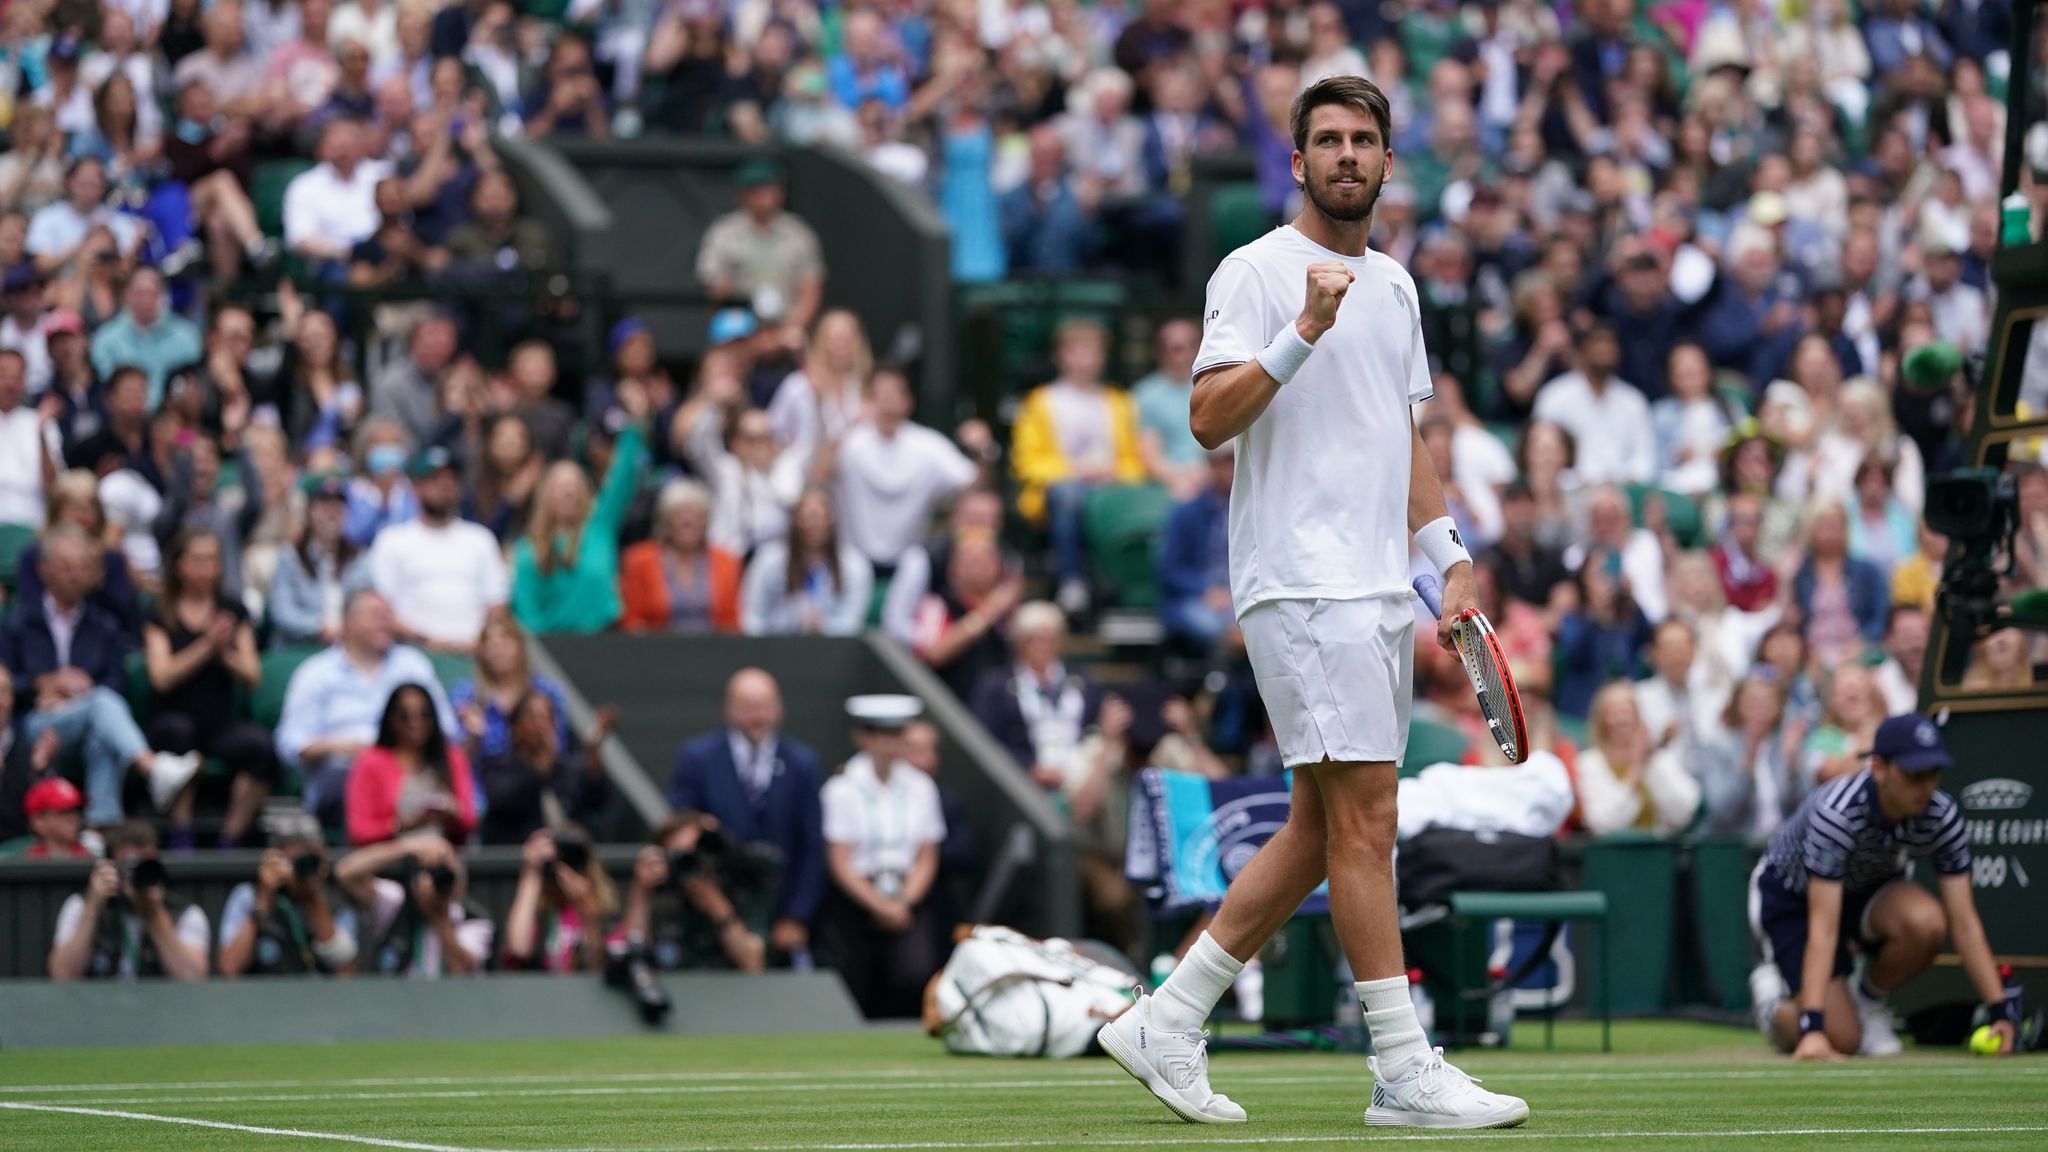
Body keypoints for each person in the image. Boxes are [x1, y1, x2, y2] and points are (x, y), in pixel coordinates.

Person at [1096, 77, 1529, 1129]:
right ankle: (1400, 1066)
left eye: (1363, 140)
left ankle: (1165, 1019)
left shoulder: (1395, 289)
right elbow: (1206, 418)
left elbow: (1405, 439)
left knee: (1315, 826)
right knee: (1367, 820)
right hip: (1298, 579)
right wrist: (1296, 332)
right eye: (1326, 140)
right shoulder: (1251, 273)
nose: (1345, 154)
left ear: (1385, 163)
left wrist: (1449, 557)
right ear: (1296, 164)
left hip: (1377, 582)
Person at [1749, 713, 2022, 1060]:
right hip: (1792, 899)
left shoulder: (1941, 816)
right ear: (1879, 768)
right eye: (1914, 775)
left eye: (1933, 773)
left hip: (1864, 887)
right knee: (1843, 1039)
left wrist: (2000, 1012)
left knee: (1927, 923)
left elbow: (1964, 921)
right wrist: (1814, 1030)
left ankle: (1868, 1003)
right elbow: (1823, 926)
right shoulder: (1837, 815)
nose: (1926, 787)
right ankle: (1774, 1005)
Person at [1, 527, 199, 828]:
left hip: (90, 716)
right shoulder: (18, 623)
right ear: (45, 569)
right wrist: (42, 685)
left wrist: (83, 691)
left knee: (101, 729)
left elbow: (118, 683)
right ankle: (151, 767)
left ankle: (99, 829)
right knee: (102, 706)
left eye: (82, 567)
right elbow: (5, 680)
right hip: (34, 722)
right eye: (66, 567)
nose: (75, 575)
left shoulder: (104, 626)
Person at [666, 668, 825, 966]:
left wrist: (797, 916)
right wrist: (696, 830)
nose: (758, 716)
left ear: (779, 709)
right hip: (714, 905)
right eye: (748, 707)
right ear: (729, 709)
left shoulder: (803, 764)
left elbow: (812, 846)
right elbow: (677, 823)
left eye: (765, 706)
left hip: (779, 908)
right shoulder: (697, 758)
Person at [274, 589, 457, 830]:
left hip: (410, 776)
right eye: (375, 615)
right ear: (349, 622)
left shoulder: (412, 664)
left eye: (388, 615)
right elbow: (291, 743)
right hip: (342, 780)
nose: (385, 622)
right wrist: (338, 747)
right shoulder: (316, 673)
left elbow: (448, 729)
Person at [143, 529, 277, 849]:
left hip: (218, 721)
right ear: (179, 566)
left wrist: (224, 652)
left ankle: (230, 836)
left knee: (261, 748)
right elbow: (161, 676)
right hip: (172, 715)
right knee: (179, 735)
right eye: (198, 560)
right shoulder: (159, 612)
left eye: (213, 561)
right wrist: (206, 646)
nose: (207, 569)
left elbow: (252, 675)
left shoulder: (232, 609)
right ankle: (181, 833)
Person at [820, 694, 949, 1019]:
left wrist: (904, 902)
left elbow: (927, 854)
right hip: (858, 895)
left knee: (914, 972)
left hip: (907, 893)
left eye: (898, 735)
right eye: (883, 736)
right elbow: (840, 860)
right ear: (864, 738)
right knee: (857, 978)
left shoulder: (922, 787)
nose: (892, 744)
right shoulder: (841, 788)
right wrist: (878, 905)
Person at [1009, 318, 1145, 616]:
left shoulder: (1120, 402)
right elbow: (1027, 462)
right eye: (1078, 350)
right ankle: (1073, 583)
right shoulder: (1040, 401)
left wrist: (1113, 473)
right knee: (1069, 496)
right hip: (1061, 492)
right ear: (1061, 356)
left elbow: (1136, 460)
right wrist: (1077, 471)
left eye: (1093, 351)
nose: (1086, 358)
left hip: (1112, 491)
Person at [825, 366, 986, 578]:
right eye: (881, 393)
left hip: (909, 566)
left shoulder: (929, 445)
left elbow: (973, 484)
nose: (888, 400)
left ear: (909, 401)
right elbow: (817, 477)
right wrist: (845, 426)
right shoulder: (851, 441)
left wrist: (982, 451)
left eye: (895, 393)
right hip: (852, 563)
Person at [509, 399, 648, 635]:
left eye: (575, 485)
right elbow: (525, 610)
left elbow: (622, 477)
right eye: (561, 486)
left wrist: (633, 427)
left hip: (604, 641)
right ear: (546, 496)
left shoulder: (600, 527)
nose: (569, 492)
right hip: (551, 650)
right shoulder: (529, 548)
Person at [367, 446, 509, 655]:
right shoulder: (392, 540)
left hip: (475, 652)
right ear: (416, 488)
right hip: (412, 652)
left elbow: (497, 604)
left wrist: (479, 641)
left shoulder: (480, 539)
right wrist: (428, 640)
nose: (445, 486)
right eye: (434, 479)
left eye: (451, 479)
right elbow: (381, 606)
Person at [47, 821, 210, 981]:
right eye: (129, 866)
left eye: (145, 865)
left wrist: (154, 914)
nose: (136, 874)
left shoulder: (185, 912)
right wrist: (93, 908)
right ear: (110, 866)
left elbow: (192, 977)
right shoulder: (80, 906)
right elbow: (63, 975)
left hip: (161, 1005)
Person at [614, 810, 773, 973]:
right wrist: (640, 891)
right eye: (682, 856)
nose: (694, 862)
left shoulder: (740, 888)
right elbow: (631, 959)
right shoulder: (658, 893)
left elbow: (752, 963)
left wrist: (715, 904)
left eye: (699, 851)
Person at [694, 158, 824, 349]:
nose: (764, 196)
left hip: (788, 329)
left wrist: (785, 333)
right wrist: (749, 332)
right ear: (743, 195)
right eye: (756, 190)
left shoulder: (799, 234)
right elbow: (716, 290)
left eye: (770, 188)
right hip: (738, 331)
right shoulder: (723, 233)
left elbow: (810, 291)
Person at [333, 833, 492, 977]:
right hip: (399, 1002)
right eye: (428, 873)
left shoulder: (473, 918)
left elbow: (460, 970)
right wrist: (407, 848)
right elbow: (345, 873)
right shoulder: (396, 903)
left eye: (446, 876)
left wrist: (439, 915)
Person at [346, 681, 477, 847]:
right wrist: (407, 824)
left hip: (444, 855)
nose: (415, 723)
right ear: (390, 719)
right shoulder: (370, 762)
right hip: (390, 858)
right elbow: (360, 832)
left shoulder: (452, 758)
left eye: (424, 714)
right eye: (404, 716)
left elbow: (469, 821)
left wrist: (452, 813)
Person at [476, 689, 610, 846]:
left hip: (566, 857)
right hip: (515, 857)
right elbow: (505, 801)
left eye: (547, 718)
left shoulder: (568, 768)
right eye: (533, 718)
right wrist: (540, 768)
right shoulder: (497, 767)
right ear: (515, 727)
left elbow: (598, 799)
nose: (541, 725)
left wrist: (593, 750)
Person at [217, 833, 359, 977]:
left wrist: (312, 900)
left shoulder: (337, 904)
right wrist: (263, 901)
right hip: (261, 994)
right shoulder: (248, 895)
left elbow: (346, 969)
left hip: (321, 996)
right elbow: (230, 968)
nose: (303, 869)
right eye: (296, 862)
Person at [906, 528, 1023, 702]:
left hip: (1000, 706)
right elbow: (934, 653)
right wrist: (988, 612)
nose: (977, 568)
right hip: (952, 703)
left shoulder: (1011, 609)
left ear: (998, 566)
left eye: (983, 561)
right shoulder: (936, 605)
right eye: (969, 562)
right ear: (954, 568)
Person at [739, 487, 873, 636]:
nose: (813, 524)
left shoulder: (854, 565)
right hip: (775, 647)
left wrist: (823, 626)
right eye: (807, 516)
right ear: (795, 519)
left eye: (819, 516)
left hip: (833, 650)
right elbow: (752, 616)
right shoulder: (768, 560)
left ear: (831, 520)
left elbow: (851, 622)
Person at [1575, 681, 1702, 837]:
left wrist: (1651, 762)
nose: (1623, 717)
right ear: (1602, 721)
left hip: (1658, 854)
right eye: (1614, 711)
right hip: (1610, 856)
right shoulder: (1588, 763)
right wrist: (1635, 770)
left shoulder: (1659, 759)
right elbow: (1602, 824)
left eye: (1628, 709)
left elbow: (1684, 813)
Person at [618, 478, 743, 634]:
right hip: (656, 651)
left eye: (696, 515)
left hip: (713, 651)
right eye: (679, 514)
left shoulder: (726, 561)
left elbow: (732, 622)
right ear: (665, 520)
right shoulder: (638, 560)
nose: (687, 521)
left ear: (706, 521)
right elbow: (631, 620)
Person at [268, 472, 373, 647]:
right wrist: (319, 627)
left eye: (339, 508)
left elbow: (369, 600)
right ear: (310, 511)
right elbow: (282, 612)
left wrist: (350, 626)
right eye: (325, 507)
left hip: (348, 646)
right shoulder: (291, 556)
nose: (333, 514)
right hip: (301, 645)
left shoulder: (358, 557)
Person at [451, 614, 570, 762]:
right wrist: (473, 736)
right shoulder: (466, 694)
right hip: (484, 776)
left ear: (519, 646)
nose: (498, 651)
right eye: (491, 645)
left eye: (505, 643)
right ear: (481, 652)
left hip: (534, 775)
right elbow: (455, 760)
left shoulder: (548, 692)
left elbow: (560, 751)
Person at [502, 825, 616, 972]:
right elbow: (518, 949)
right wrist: (531, 871)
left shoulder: (607, 913)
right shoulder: (537, 911)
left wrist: (586, 909)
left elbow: (596, 966)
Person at [1158, 445, 1236, 651]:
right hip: (1197, 598)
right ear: (1212, 466)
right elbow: (1170, 570)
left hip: (1237, 595)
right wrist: (1205, 590)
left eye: (1235, 461)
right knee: (1210, 625)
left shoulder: (1249, 509)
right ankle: (1219, 679)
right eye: (1225, 463)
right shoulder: (1188, 512)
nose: (1232, 469)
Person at [1132, 317, 1208, 500]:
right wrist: (1179, 480)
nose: (1180, 355)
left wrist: (1207, 475)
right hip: (1167, 487)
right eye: (1173, 348)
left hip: (1213, 478)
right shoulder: (1145, 395)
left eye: (1188, 346)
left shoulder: (1213, 388)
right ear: (1160, 351)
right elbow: (1149, 456)